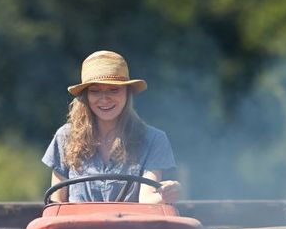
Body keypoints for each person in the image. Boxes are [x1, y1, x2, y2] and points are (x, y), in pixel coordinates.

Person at [42, 50, 182, 204]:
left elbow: (146, 199)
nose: (104, 99)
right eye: (95, 91)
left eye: (114, 90)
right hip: (77, 227)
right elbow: (56, 203)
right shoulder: (65, 137)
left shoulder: (154, 139)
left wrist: (167, 193)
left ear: (127, 93)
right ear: (86, 96)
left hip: (130, 226)